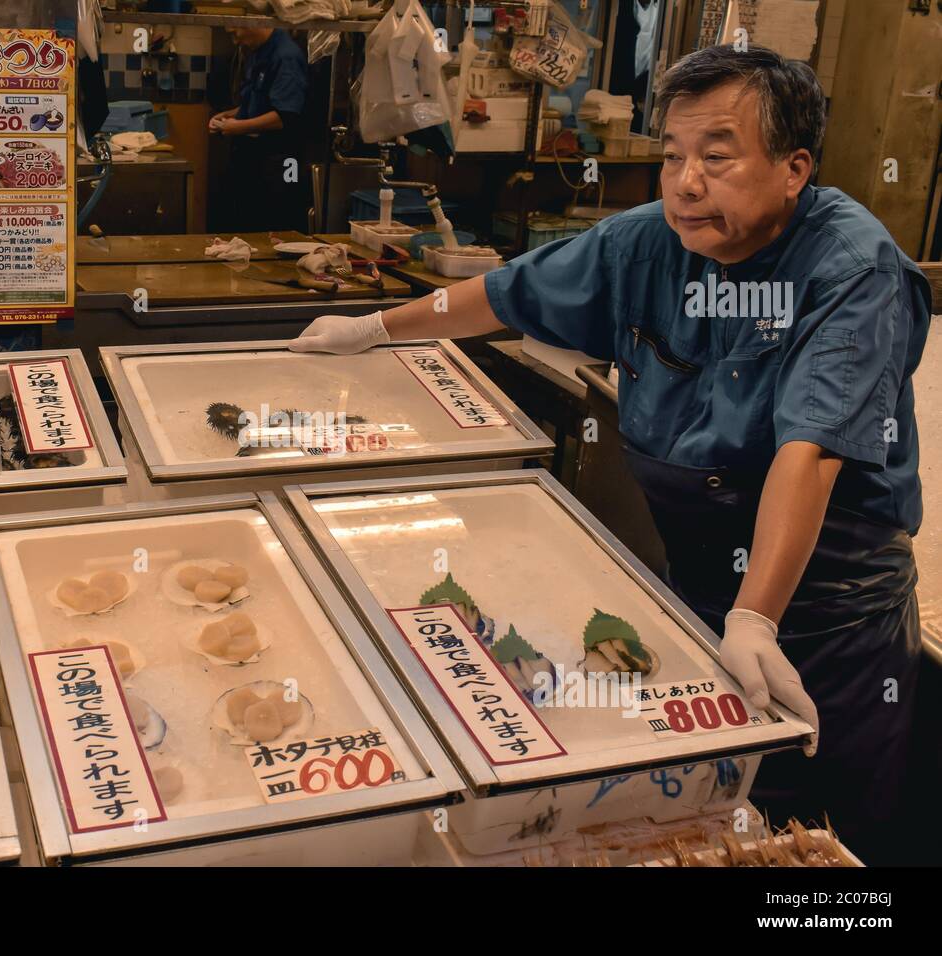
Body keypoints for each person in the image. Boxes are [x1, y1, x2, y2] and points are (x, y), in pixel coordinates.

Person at [291, 46, 931, 863]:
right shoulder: (644, 244)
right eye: (672, 157)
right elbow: (501, 293)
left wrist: (756, 614)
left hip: (826, 606)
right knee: (705, 829)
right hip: (697, 582)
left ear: (794, 166)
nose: (686, 182)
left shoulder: (852, 270)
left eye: (718, 156)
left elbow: (808, 451)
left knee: (817, 839)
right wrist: (374, 328)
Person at [209, 27, 309, 232]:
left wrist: (238, 127)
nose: (235, 40)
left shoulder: (285, 55)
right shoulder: (258, 52)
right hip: (252, 155)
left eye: (235, 32)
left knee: (272, 225)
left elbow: (284, 117)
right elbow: (257, 103)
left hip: (279, 160)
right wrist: (230, 115)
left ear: (254, 22)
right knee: (245, 223)